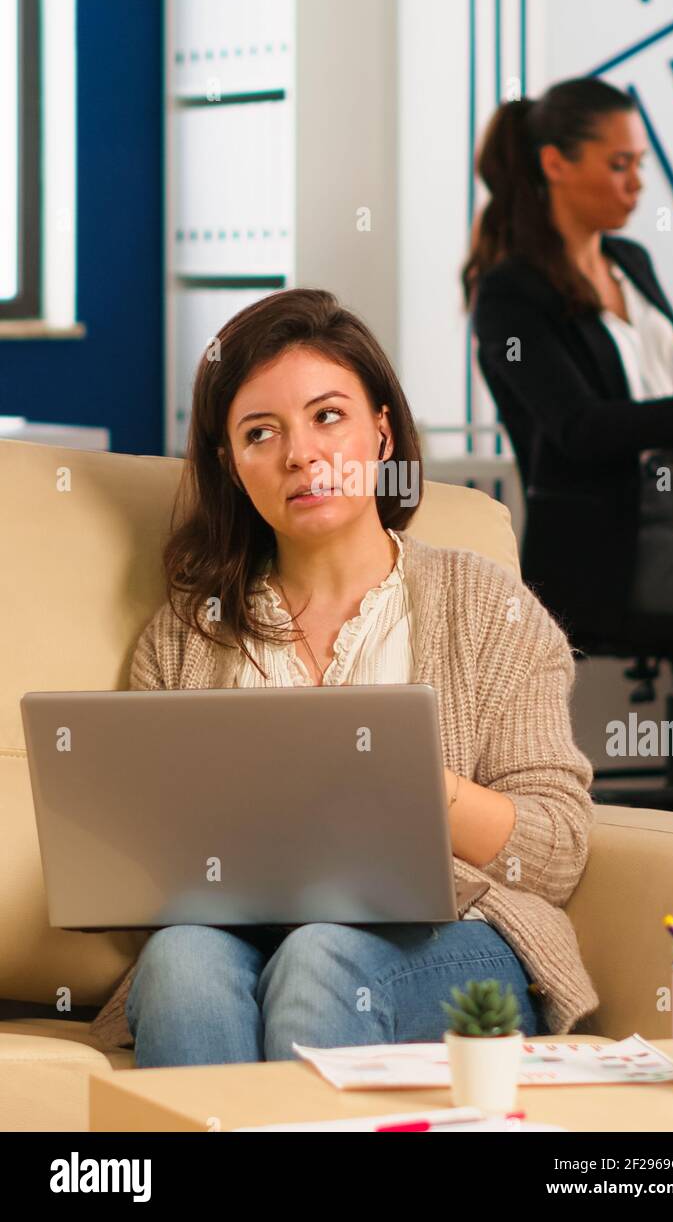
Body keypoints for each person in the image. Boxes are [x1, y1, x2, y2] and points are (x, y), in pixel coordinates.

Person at [89, 287, 598, 1067]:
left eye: (329, 416)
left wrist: (409, 781)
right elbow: (141, 873)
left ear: (381, 431)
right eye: (262, 433)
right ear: (232, 465)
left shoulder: (485, 606)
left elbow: (555, 854)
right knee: (182, 962)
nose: (302, 454)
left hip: (454, 943)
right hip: (237, 937)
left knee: (320, 955)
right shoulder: (186, 635)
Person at [463, 77, 673, 641]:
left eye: (640, 164)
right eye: (619, 165)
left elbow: (672, 386)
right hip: (618, 539)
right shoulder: (512, 292)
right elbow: (579, 429)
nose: (637, 184)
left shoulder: (631, 260)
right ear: (556, 164)